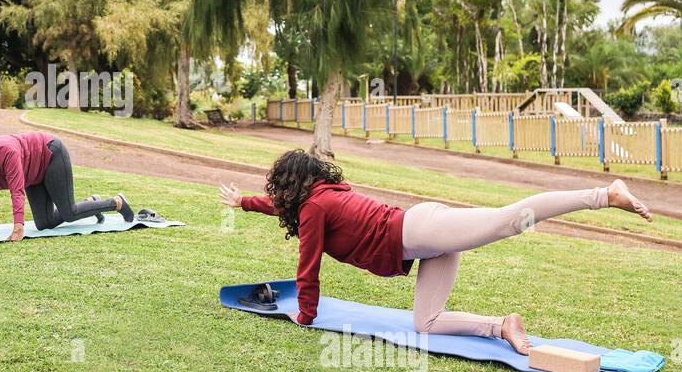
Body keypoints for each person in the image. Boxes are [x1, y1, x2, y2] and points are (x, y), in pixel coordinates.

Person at [220, 150, 652, 354]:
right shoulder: (318, 198)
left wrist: (306, 315)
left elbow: (307, 267)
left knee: (508, 220)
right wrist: (242, 202)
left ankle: (602, 194)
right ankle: (503, 326)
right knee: (425, 323)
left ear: (292, 184)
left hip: (422, 228)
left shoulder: (315, 207)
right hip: (425, 243)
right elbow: (278, 207)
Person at [0, 129, 135, 242]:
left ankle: (116, 202)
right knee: (44, 223)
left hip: (50, 154)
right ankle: (91, 203)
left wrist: (18, 227)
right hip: (33, 174)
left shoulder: (7, 151)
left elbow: (16, 191)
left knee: (69, 212)